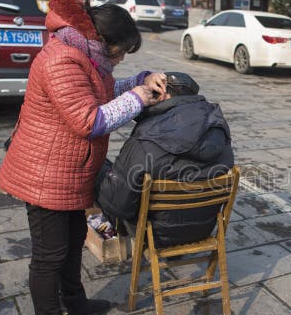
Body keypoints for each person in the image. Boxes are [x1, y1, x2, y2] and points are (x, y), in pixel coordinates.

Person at [0, 0, 167, 315]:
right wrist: (138, 97)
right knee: (49, 255)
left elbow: (104, 90)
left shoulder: (88, 58)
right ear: (104, 41)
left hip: (69, 171)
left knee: (74, 239)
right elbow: (89, 119)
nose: (120, 60)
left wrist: (142, 79)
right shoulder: (62, 61)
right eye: (122, 52)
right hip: (44, 174)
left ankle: (76, 303)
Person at [96, 72, 234, 248]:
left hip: (155, 234)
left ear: (162, 95)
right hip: (202, 229)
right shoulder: (219, 130)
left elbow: (118, 206)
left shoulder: (146, 140)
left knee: (97, 169)